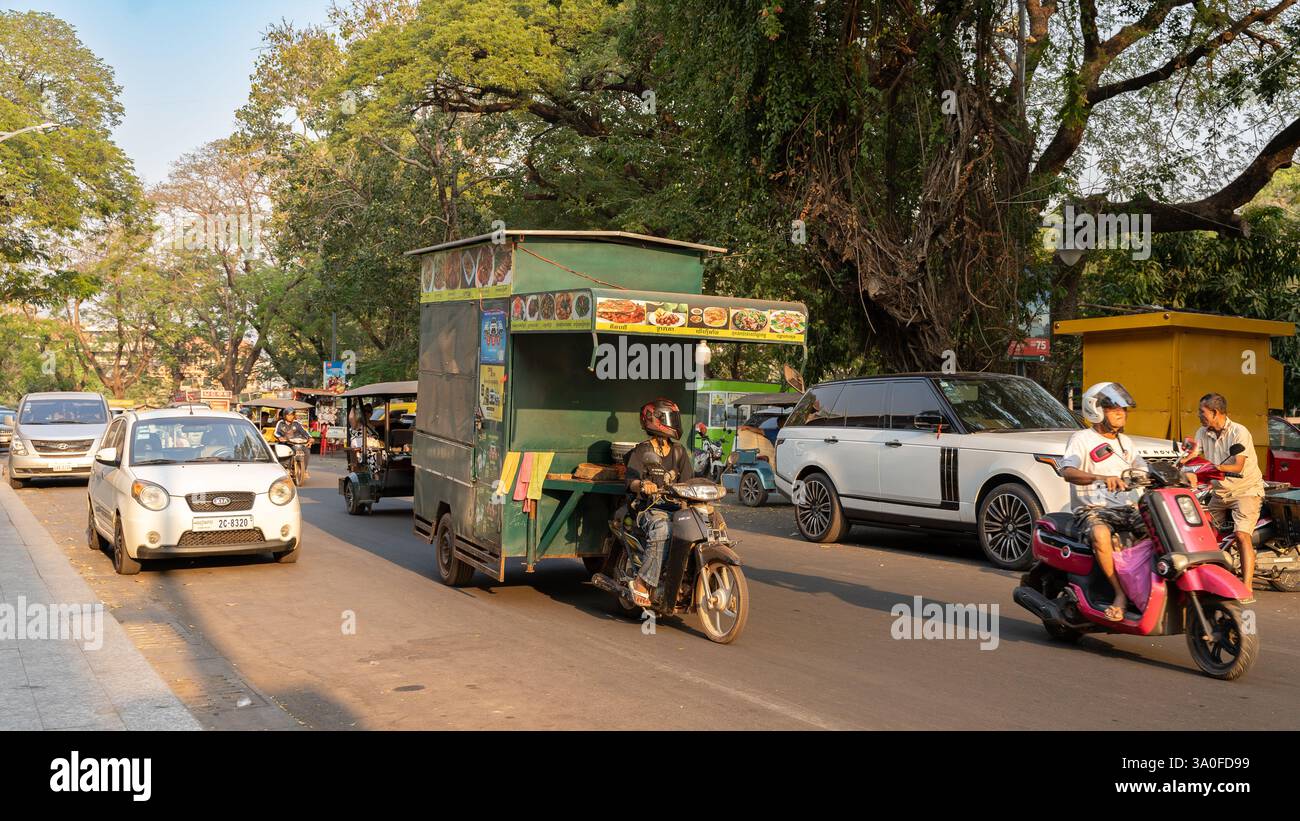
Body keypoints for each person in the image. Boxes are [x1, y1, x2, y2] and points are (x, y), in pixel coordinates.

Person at [1058, 382, 1149, 621]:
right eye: (1113, 408)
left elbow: (1144, 469)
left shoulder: (1126, 443)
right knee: (1100, 534)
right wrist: (1101, 477)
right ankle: (1119, 594)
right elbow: (1068, 471)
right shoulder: (1082, 438)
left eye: (1123, 409)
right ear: (1095, 409)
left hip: (1127, 509)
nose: (1121, 413)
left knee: (1162, 528)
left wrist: (1182, 471)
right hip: (1093, 509)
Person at [1182, 392, 1265, 602]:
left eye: (1202, 412)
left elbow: (1238, 465)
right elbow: (1193, 457)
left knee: (1241, 535)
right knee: (1203, 532)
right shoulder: (1202, 432)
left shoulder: (1239, 432)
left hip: (1245, 490)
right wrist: (1182, 460)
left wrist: (1212, 467)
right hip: (1219, 491)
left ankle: (1247, 588)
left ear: (1215, 412)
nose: (1199, 416)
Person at [623, 398, 693, 608]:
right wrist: (643, 484)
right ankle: (643, 582)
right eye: (670, 418)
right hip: (649, 508)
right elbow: (630, 481)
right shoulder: (642, 450)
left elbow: (689, 481)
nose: (674, 422)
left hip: (676, 508)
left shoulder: (679, 452)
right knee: (663, 528)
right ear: (654, 420)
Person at [274, 409, 312, 479]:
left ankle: (305, 470)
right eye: (289, 415)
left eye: (292, 415)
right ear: (285, 416)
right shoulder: (280, 423)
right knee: (286, 452)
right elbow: (276, 432)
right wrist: (280, 437)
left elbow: (304, 432)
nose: (291, 417)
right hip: (286, 443)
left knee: (307, 450)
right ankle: (286, 468)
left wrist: (310, 438)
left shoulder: (296, 423)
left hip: (297, 443)